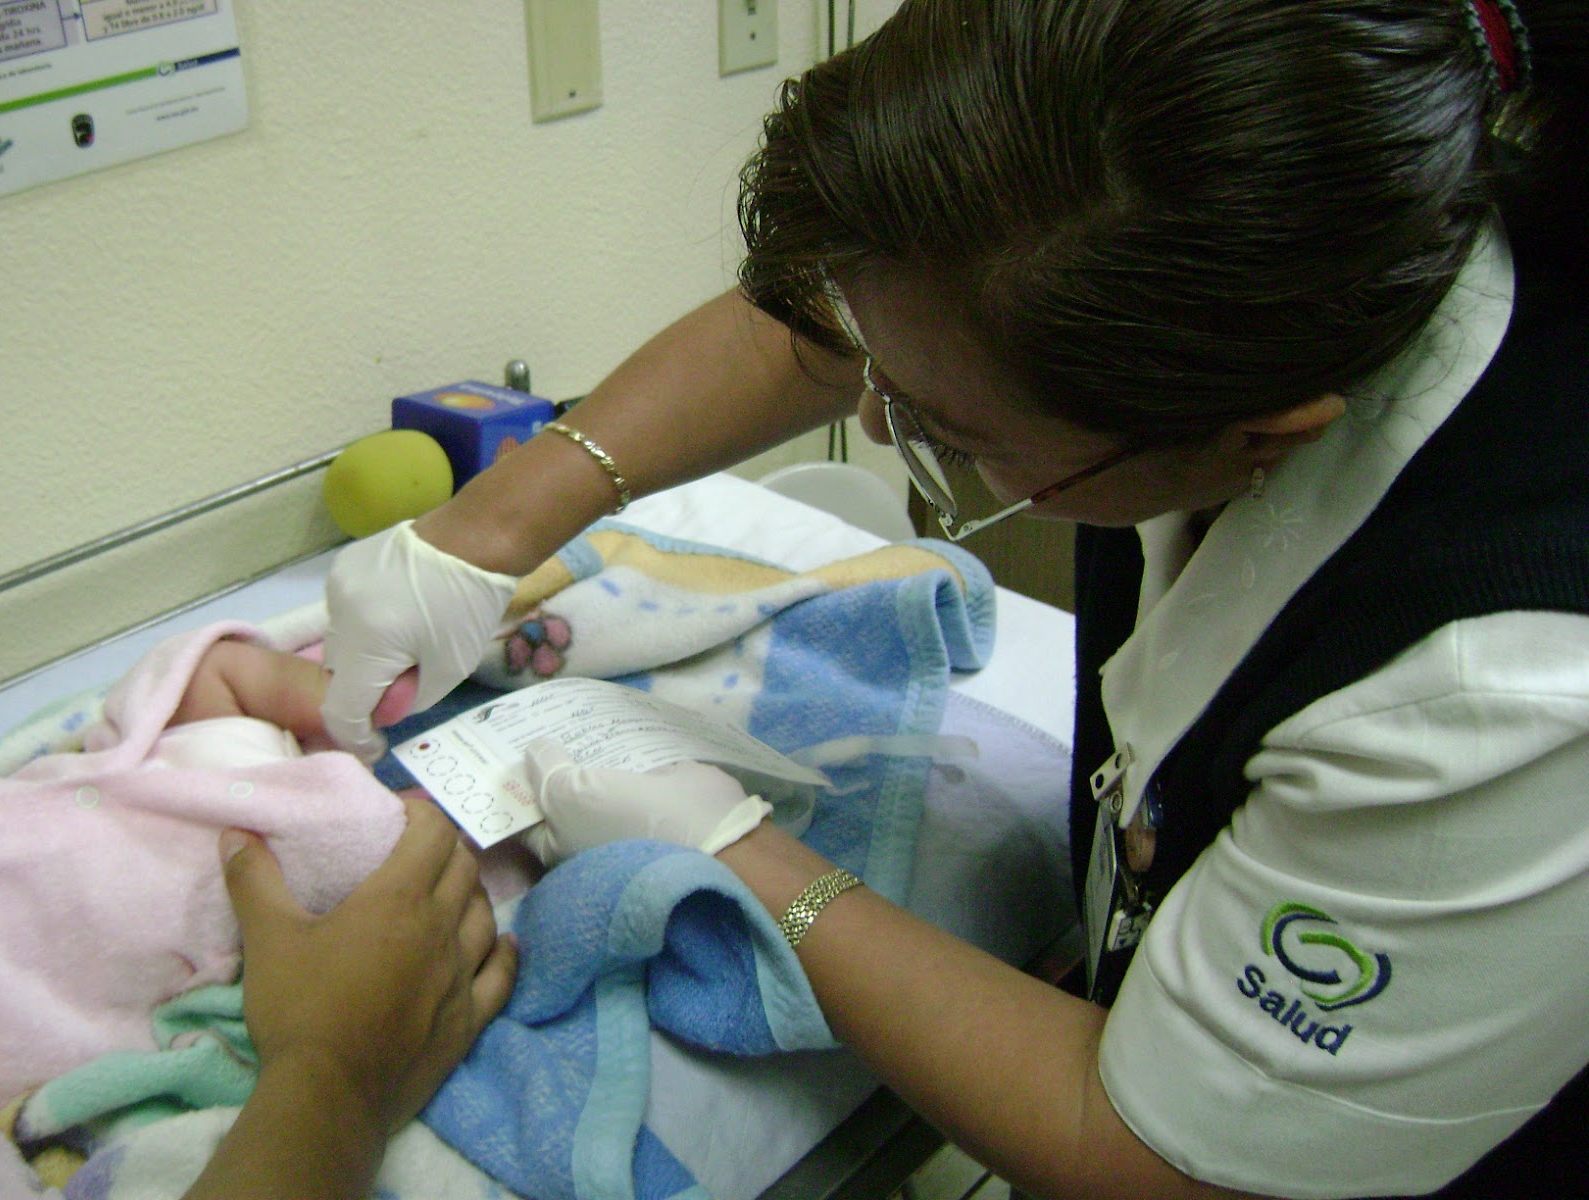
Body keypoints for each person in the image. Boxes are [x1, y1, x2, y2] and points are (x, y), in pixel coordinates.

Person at [318, 0, 1589, 1195]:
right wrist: (485, 529)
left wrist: (736, 854)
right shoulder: (1212, 180)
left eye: (947, 435)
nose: (871, 413)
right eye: (882, 376)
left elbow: (1154, 1163)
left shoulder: (1501, 692)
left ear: (1261, 436)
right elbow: (866, 316)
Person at [0, 633, 519, 1200]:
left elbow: (199, 676)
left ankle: (357, 712)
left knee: (205, 673)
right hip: (266, 950)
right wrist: (338, 1078)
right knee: (438, 883)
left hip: (169, 777)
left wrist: (332, 699)